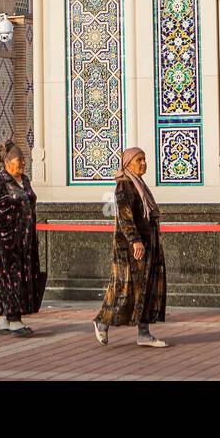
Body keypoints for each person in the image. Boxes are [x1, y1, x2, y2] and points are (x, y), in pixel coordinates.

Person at [93, 147, 168, 348]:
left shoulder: (139, 184)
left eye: (144, 159)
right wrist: (135, 241)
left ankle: (144, 332)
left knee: (147, 288)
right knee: (125, 289)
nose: (143, 163)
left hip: (147, 245)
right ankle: (102, 321)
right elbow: (126, 218)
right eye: (139, 160)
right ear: (127, 164)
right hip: (130, 249)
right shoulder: (124, 186)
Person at [0, 141, 45, 337]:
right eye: (18, 161)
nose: (22, 164)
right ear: (7, 162)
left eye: (24, 161)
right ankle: (14, 319)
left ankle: (4, 318)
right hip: (4, 240)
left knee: (19, 275)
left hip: (25, 240)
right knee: (11, 277)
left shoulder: (25, 180)